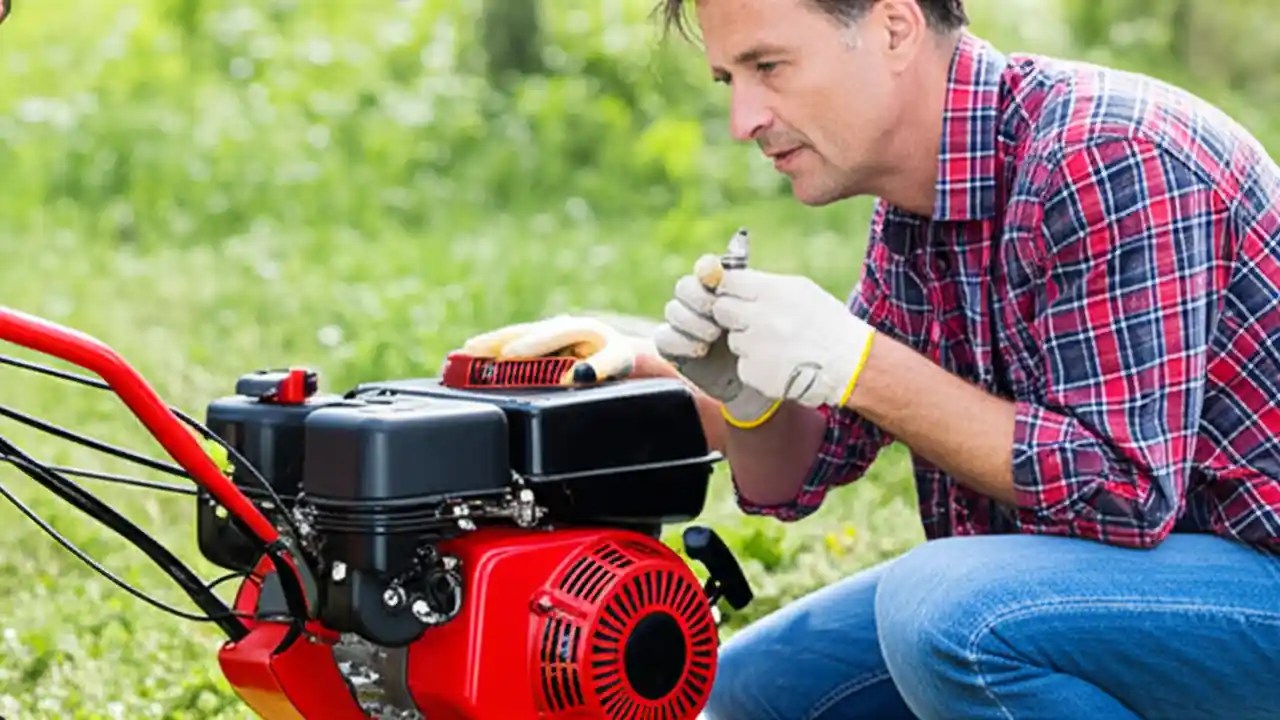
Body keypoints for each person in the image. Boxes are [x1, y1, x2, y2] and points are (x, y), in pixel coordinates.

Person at [461, 0, 1280, 717]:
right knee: (747, 694)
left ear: (893, 27)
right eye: (729, 82)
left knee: (946, 612)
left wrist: (858, 360)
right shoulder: (915, 208)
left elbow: (1124, 493)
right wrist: (718, 386)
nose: (743, 118)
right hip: (1122, 588)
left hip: (1254, 576)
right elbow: (804, 472)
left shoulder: (1107, 158)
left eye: (769, 66)